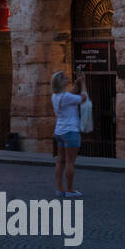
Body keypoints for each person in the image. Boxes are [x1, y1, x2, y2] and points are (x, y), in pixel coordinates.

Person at [51, 70, 88, 198]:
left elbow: (71, 94)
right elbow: (83, 98)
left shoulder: (56, 96)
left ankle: (60, 189)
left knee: (60, 161)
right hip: (70, 131)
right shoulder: (66, 97)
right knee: (70, 162)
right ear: (61, 82)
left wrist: (77, 83)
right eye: (66, 78)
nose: (68, 79)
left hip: (59, 132)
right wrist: (83, 83)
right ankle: (70, 190)